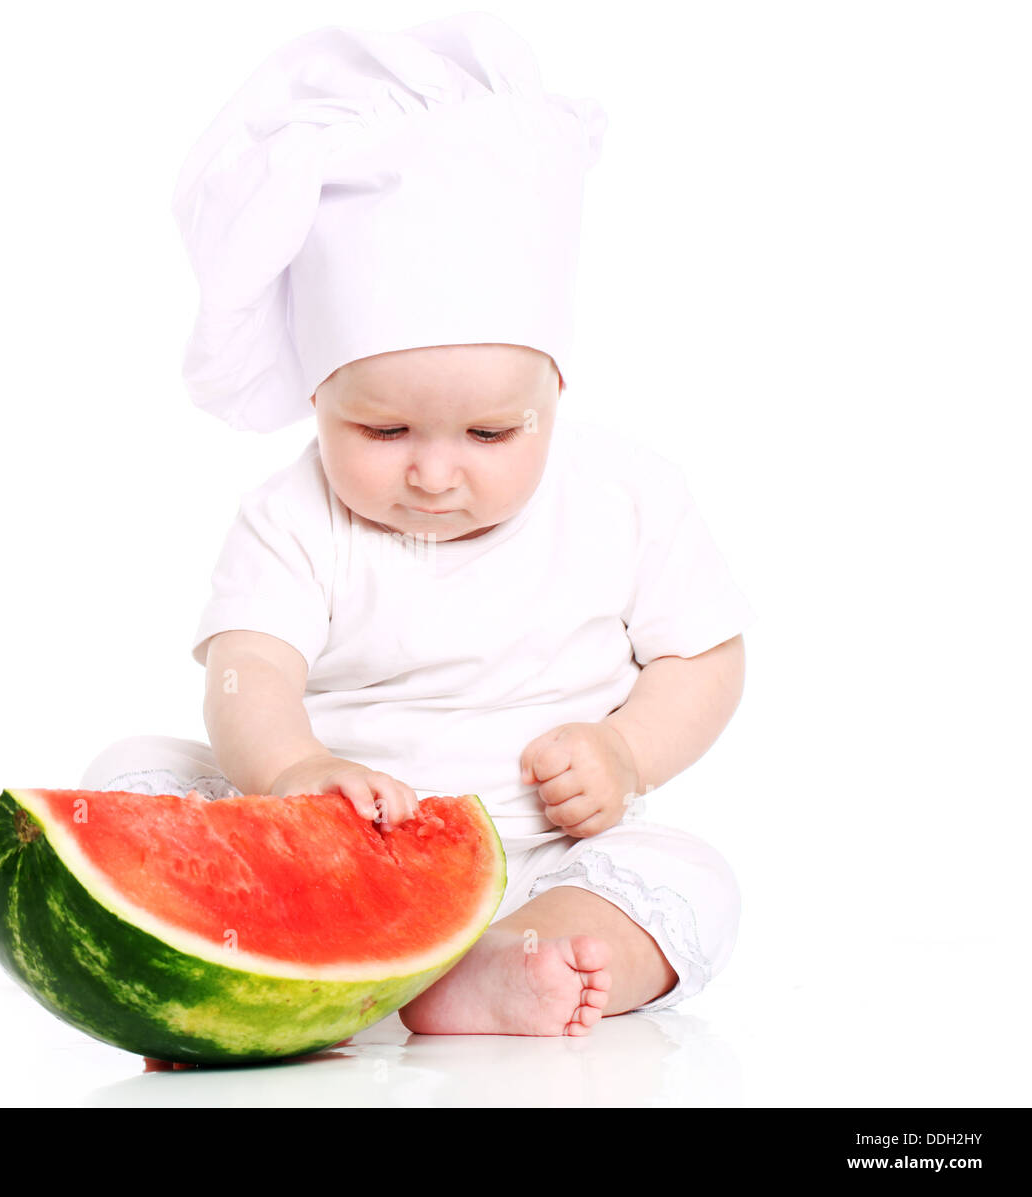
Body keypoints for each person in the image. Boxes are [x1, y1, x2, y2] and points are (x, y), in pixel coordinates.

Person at [79, 13, 757, 1065]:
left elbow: (703, 656)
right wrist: (294, 766)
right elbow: (247, 666)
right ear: (317, 395)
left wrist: (627, 752)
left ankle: (509, 964)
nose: (434, 472)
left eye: (491, 432)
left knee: (691, 878)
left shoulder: (626, 495)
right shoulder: (292, 514)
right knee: (132, 770)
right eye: (381, 430)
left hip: (540, 857)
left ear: (554, 389)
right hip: (314, 838)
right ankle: (238, 963)